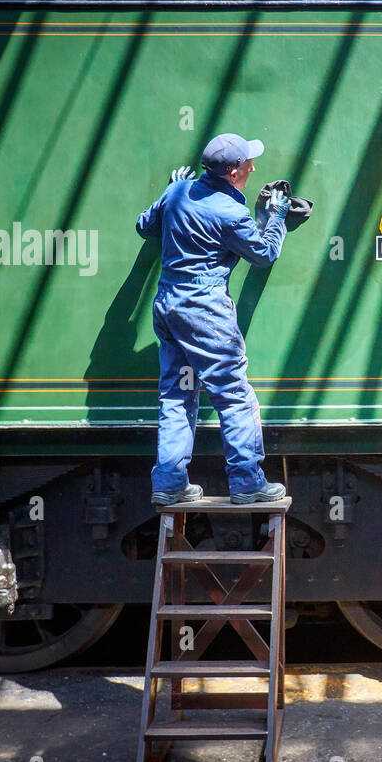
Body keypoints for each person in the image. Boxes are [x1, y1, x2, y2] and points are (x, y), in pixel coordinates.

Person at [136, 132, 289, 505]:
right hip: (205, 310)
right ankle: (248, 481)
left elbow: (145, 226)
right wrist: (277, 216)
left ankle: (170, 483)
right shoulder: (231, 212)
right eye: (249, 162)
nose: (254, 166)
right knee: (234, 396)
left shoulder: (177, 192)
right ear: (235, 171)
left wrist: (169, 196)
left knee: (176, 394)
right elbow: (264, 254)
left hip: (168, 304)